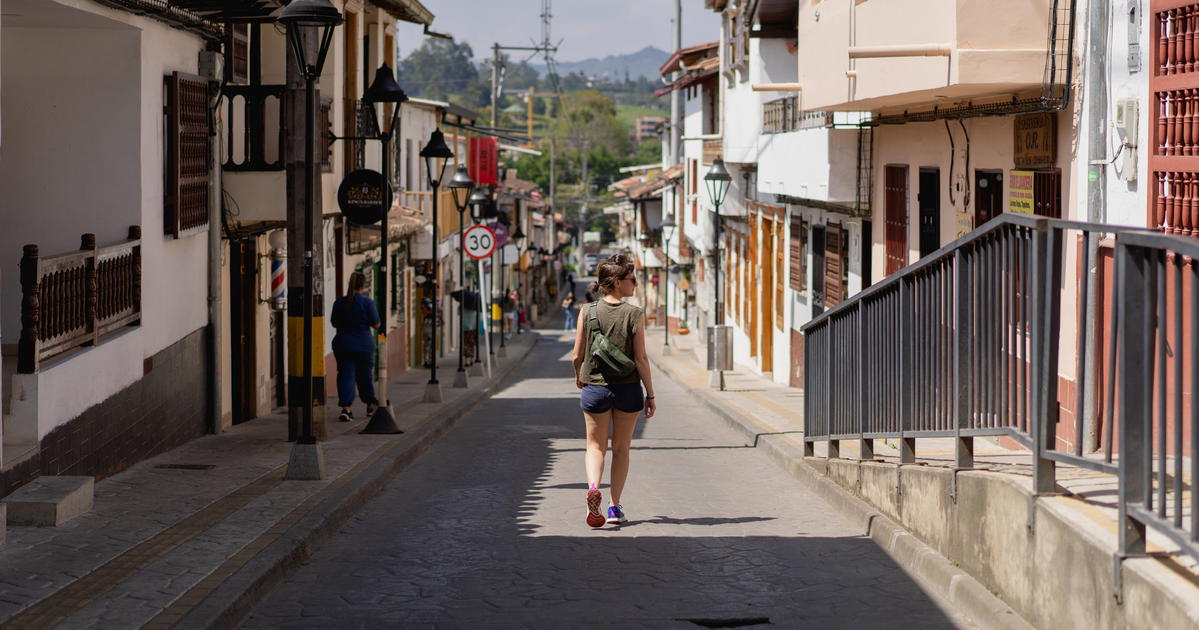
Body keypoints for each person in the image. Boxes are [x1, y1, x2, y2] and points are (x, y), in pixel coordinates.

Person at [571, 253, 656, 528]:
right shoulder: (634, 314)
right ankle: (614, 507)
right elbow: (641, 359)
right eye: (632, 280)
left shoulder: (588, 311)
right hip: (628, 388)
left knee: (595, 446)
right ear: (618, 282)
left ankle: (593, 486)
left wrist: (579, 377)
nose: (636, 285)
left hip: (595, 388)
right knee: (621, 449)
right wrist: (651, 394)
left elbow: (576, 354)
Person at [330, 271, 380, 422]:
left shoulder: (339, 303)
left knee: (346, 375)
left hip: (343, 344)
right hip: (364, 345)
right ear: (363, 286)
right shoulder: (367, 303)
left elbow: (334, 323)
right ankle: (370, 405)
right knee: (365, 375)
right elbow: (376, 324)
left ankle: (346, 408)